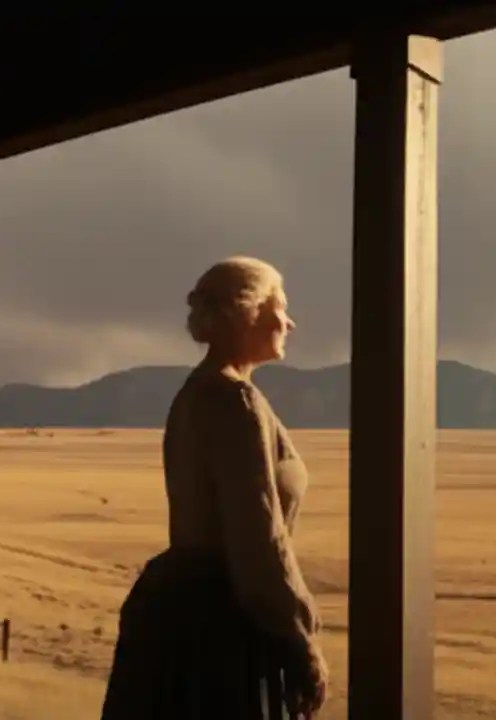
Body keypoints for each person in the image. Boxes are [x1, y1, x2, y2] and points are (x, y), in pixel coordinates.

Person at [101, 256, 328, 719]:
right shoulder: (234, 401)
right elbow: (258, 539)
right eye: (279, 307)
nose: (289, 321)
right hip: (225, 628)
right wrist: (301, 637)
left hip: (184, 615)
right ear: (246, 313)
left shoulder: (196, 391)